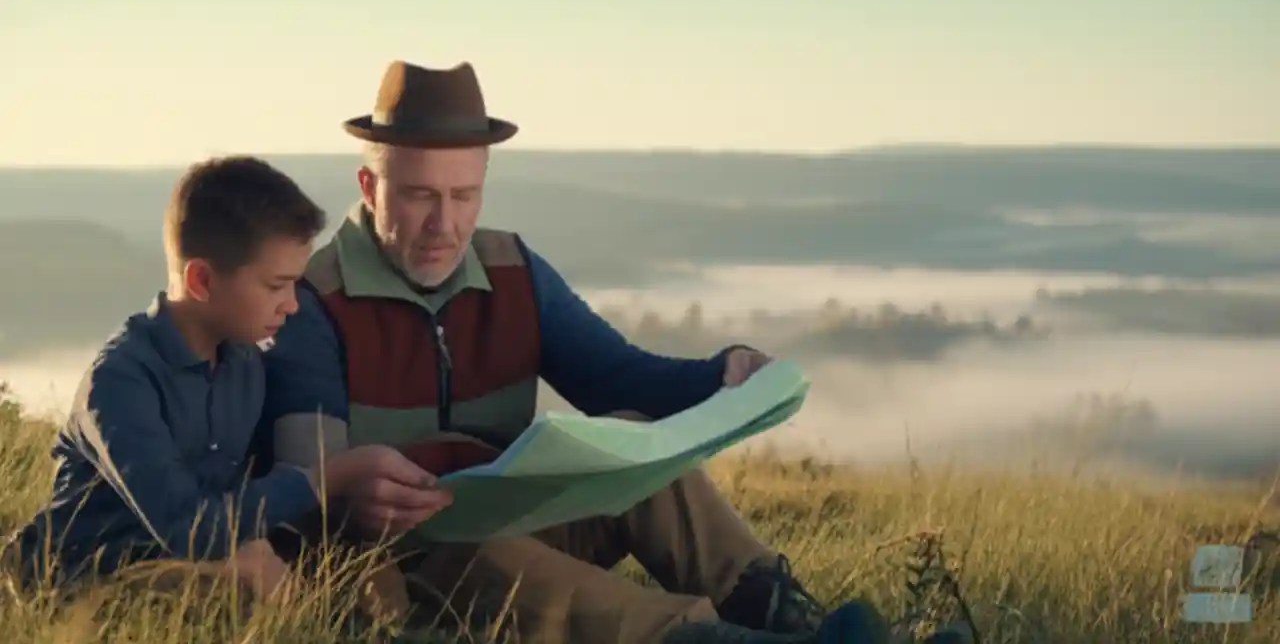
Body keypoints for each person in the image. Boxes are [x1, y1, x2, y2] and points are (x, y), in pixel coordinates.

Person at [257, 60, 903, 643]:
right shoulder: (312, 302)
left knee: (633, 437)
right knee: (486, 554)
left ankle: (787, 615)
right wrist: (349, 498)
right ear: (370, 186)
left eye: (464, 196)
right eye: (421, 195)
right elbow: (301, 492)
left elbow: (617, 376)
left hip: (513, 520)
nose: (445, 225)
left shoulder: (512, 270)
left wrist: (722, 374)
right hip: (398, 569)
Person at [4, 156, 442, 617]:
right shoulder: (120, 382)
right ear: (201, 280)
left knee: (371, 585)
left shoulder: (244, 362)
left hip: (200, 559)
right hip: (90, 576)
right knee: (230, 594)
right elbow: (186, 528)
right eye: (277, 286)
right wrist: (331, 477)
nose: (292, 305)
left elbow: (240, 500)